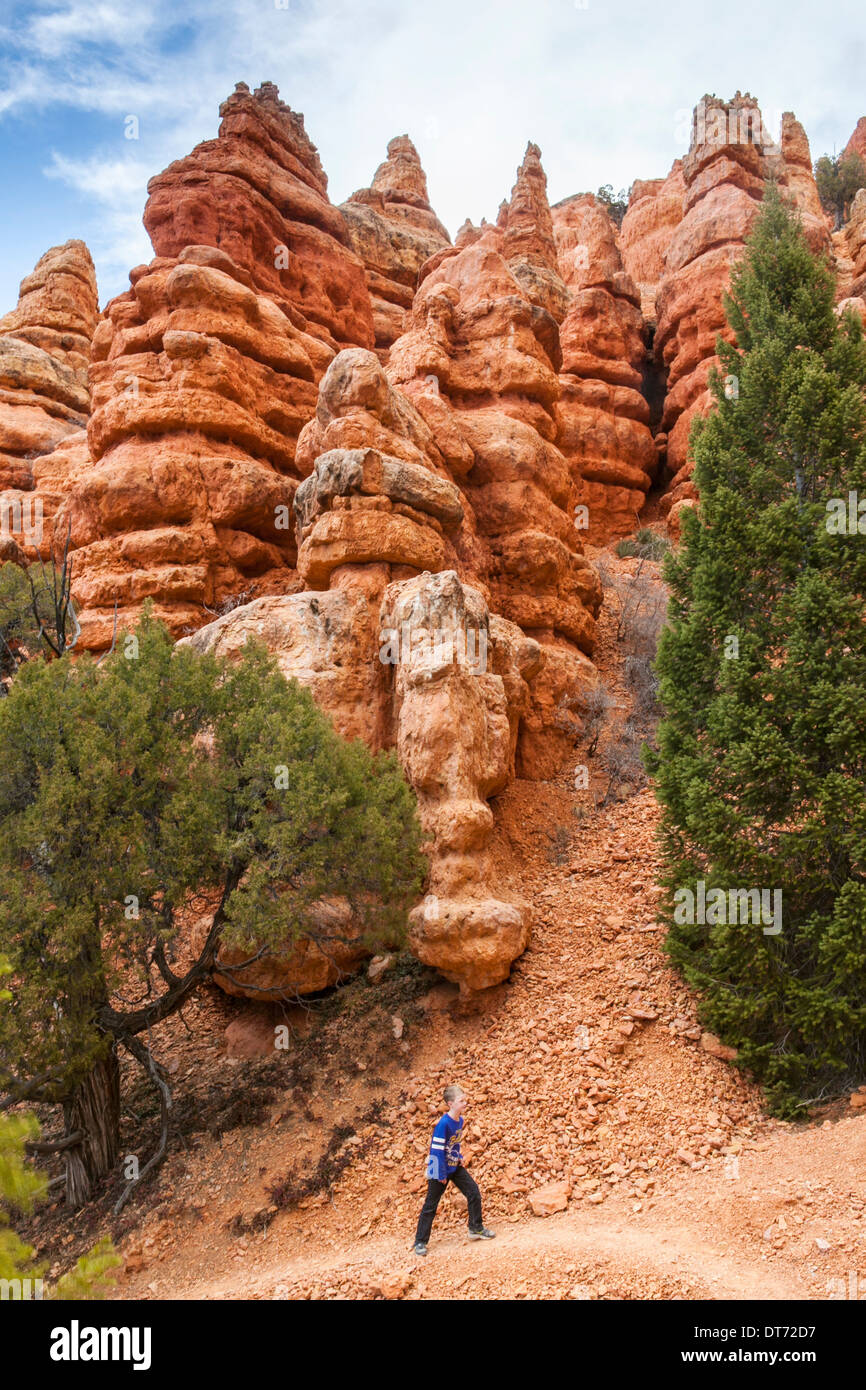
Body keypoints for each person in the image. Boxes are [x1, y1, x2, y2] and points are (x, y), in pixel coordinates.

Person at [412, 1083, 495, 1256]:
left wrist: (458, 1157)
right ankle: (420, 1242)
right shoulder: (443, 1124)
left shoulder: (460, 1121)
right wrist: (441, 1174)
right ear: (450, 1104)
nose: (465, 1103)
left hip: (453, 1165)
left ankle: (476, 1228)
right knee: (430, 1205)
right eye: (461, 1100)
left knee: (473, 1191)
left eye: (465, 1099)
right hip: (438, 1168)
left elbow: (453, 1144)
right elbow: (436, 1150)